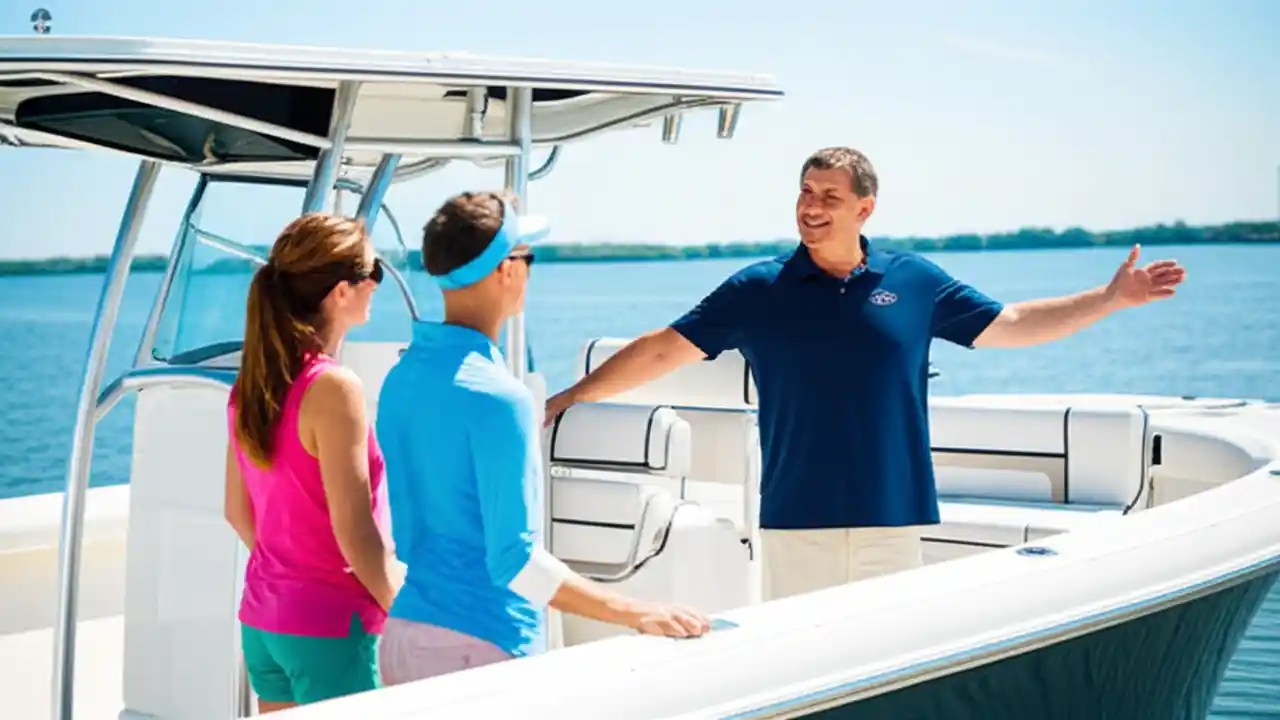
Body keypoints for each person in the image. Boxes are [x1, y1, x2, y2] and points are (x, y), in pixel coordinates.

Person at [545, 146, 1187, 602]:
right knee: (801, 667)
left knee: (886, 672)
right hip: (798, 519)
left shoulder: (915, 281)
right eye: (805, 192)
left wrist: (1109, 299)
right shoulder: (756, 289)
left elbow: (1013, 324)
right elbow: (662, 349)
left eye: (830, 196)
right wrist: (573, 395)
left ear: (865, 208)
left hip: (894, 515)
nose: (812, 207)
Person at [375, 191, 711, 686]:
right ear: (506, 270)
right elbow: (514, 560)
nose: (531, 270)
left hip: (405, 634)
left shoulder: (402, 377)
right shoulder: (498, 397)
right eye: (528, 257)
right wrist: (636, 612)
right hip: (482, 647)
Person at [223, 213, 399, 713]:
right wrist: (407, 615)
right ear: (341, 291)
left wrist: (293, 574)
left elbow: (237, 511)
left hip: (264, 621)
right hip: (330, 627)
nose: (375, 286)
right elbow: (355, 533)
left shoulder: (251, 387)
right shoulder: (334, 387)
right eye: (374, 273)